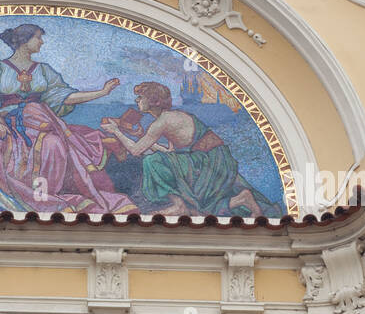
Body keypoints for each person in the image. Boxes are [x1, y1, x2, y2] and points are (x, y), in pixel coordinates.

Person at [0, 24, 137, 215]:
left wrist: (101, 92)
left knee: (55, 144)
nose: (41, 43)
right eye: (38, 38)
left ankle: (45, 200)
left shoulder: (44, 71)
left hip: (39, 122)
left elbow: (65, 96)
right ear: (24, 41)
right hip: (7, 122)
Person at [101, 81, 274, 217]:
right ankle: (242, 199)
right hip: (211, 158)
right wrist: (140, 136)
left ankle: (178, 205)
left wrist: (116, 131)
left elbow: (136, 151)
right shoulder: (170, 118)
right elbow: (171, 154)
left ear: (153, 101)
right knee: (198, 204)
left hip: (209, 160)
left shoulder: (162, 122)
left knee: (151, 161)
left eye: (141, 97)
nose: (137, 100)